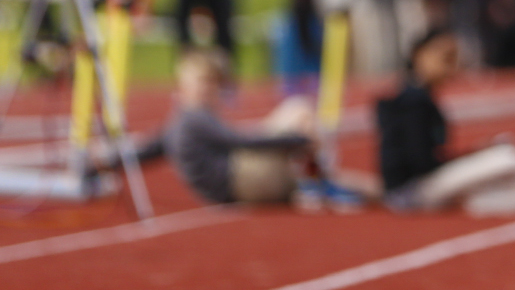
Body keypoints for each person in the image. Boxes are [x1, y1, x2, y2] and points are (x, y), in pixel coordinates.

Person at [140, 48, 362, 210]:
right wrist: (295, 139)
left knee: (361, 185)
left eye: (214, 83)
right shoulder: (195, 116)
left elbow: (147, 151)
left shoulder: (176, 122)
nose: (210, 89)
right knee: (299, 109)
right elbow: (240, 142)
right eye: (203, 82)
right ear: (185, 86)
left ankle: (319, 180)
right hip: (241, 181)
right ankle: (317, 180)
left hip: (232, 187)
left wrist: (109, 161)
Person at [375, 26, 515, 216]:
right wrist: (472, 156)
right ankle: (496, 199)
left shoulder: (418, 97)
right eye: (445, 57)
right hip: (411, 191)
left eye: (453, 59)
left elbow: (429, 157)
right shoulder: (412, 100)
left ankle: (506, 197)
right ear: (418, 54)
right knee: (510, 158)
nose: (450, 65)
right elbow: (423, 163)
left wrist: (476, 152)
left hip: (415, 186)